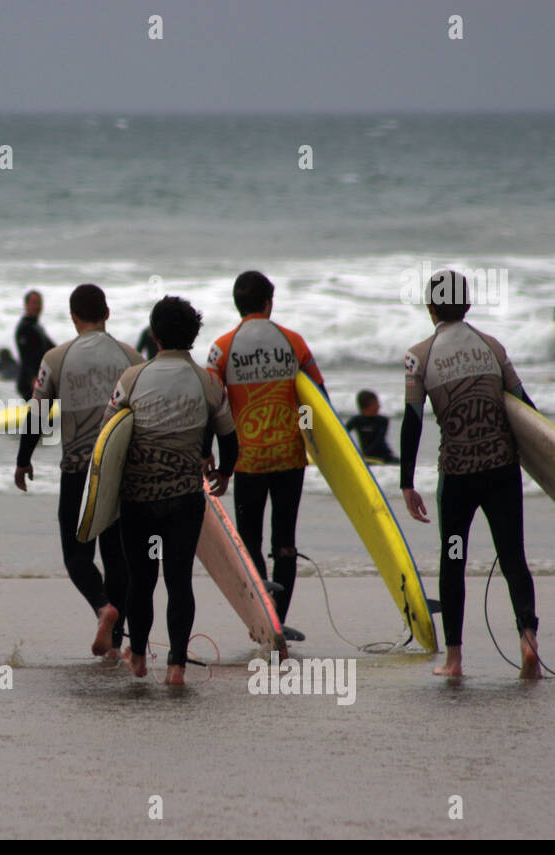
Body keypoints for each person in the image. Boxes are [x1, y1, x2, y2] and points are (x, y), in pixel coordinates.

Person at [400, 269, 541, 679]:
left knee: (454, 558)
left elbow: (413, 421)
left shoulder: (419, 356)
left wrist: (408, 482)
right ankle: (528, 638)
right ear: (467, 305)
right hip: (501, 470)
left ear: (430, 308)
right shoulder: (492, 347)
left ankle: (455, 659)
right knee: (512, 553)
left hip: (458, 477)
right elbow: (526, 408)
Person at [99, 296, 237, 684]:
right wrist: (225, 472)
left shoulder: (133, 378)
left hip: (139, 501)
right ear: (193, 336)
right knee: (179, 581)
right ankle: (176, 666)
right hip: (184, 501)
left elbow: (107, 440)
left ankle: (140, 656)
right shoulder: (209, 382)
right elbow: (229, 437)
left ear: (154, 335)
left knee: (141, 579)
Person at [15, 283, 141, 658]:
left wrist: (24, 460)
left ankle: (103, 607)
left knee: (76, 555)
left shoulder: (56, 359)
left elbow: (37, 413)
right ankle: (117, 642)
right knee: (117, 556)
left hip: (76, 471)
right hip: (120, 471)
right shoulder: (131, 356)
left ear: (73, 318)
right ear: (108, 313)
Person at [206, 270, 325, 642]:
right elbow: (318, 398)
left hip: (248, 461)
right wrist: (318, 446)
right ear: (268, 303)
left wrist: (214, 461)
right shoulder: (293, 342)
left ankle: (266, 620)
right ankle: (279, 620)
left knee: (250, 542)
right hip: (290, 458)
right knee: (285, 541)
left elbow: (213, 406)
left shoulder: (221, 348)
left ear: (237, 304)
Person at [15, 289, 55, 398]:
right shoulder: (24, 328)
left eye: (39, 303)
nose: (37, 306)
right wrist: (33, 378)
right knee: (39, 413)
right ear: (26, 305)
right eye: (34, 303)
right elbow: (26, 356)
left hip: (42, 379)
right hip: (29, 382)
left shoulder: (37, 327)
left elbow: (53, 349)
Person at [344, 390, 399, 463]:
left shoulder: (383, 420)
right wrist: (353, 452)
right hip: (366, 456)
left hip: (384, 456)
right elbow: (342, 434)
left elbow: (379, 440)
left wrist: (364, 454)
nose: (378, 406)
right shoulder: (356, 420)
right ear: (364, 407)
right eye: (375, 404)